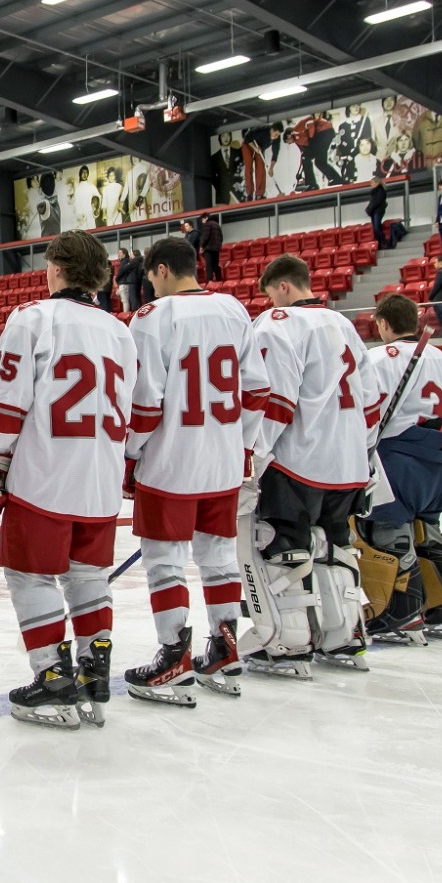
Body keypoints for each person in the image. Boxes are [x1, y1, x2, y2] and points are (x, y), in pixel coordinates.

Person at [0, 231, 135, 729]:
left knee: (30, 574)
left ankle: (51, 676)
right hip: (101, 477)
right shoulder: (120, 331)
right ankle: (93, 672)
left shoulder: (32, 318)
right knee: (88, 576)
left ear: (58, 269)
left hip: (45, 473)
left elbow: (7, 404)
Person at [121, 237, 268, 707]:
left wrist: (129, 453)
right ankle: (225, 648)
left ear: (162, 270)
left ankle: (173, 655)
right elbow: (258, 390)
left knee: (164, 559)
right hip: (222, 461)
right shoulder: (233, 309)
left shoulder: (151, 317)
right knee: (219, 557)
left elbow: (146, 402)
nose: (149, 286)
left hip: (171, 461)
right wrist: (241, 446)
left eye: (149, 277)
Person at [245, 255, 380, 677]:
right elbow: (371, 401)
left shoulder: (277, 323)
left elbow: (276, 399)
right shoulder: (343, 325)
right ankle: (343, 634)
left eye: (271, 294)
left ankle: (290, 642)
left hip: (297, 460)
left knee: (282, 544)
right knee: (335, 545)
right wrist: (364, 452)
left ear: (282, 287)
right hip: (347, 463)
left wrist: (254, 455)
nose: (270, 302)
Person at [360, 294, 442, 643]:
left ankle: (402, 610)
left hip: (399, 456)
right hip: (440, 453)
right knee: (427, 529)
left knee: (387, 530)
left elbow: (369, 412)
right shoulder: (436, 355)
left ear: (383, 323)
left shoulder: (378, 357)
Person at [199, 213, 224, 281]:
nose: (202, 222)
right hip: (216, 249)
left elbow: (205, 236)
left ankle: (210, 281)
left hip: (208, 248)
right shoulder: (217, 225)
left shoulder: (207, 224)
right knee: (216, 265)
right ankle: (219, 280)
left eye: (202, 219)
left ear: (206, 218)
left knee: (209, 266)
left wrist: (201, 246)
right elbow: (221, 238)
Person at [115, 247, 140, 313]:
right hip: (126, 282)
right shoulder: (128, 261)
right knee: (126, 300)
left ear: (124, 254)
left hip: (124, 282)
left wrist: (117, 279)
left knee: (125, 301)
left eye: (120, 252)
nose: (119, 254)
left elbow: (121, 271)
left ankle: (126, 314)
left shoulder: (124, 261)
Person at [366, 175, 389, 246]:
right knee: (375, 228)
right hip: (374, 211)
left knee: (377, 227)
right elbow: (372, 202)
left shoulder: (381, 191)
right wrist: (368, 209)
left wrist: (370, 209)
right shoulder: (374, 192)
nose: (371, 185)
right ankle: (379, 243)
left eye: (372, 183)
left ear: (377, 183)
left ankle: (384, 241)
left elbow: (377, 202)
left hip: (378, 211)